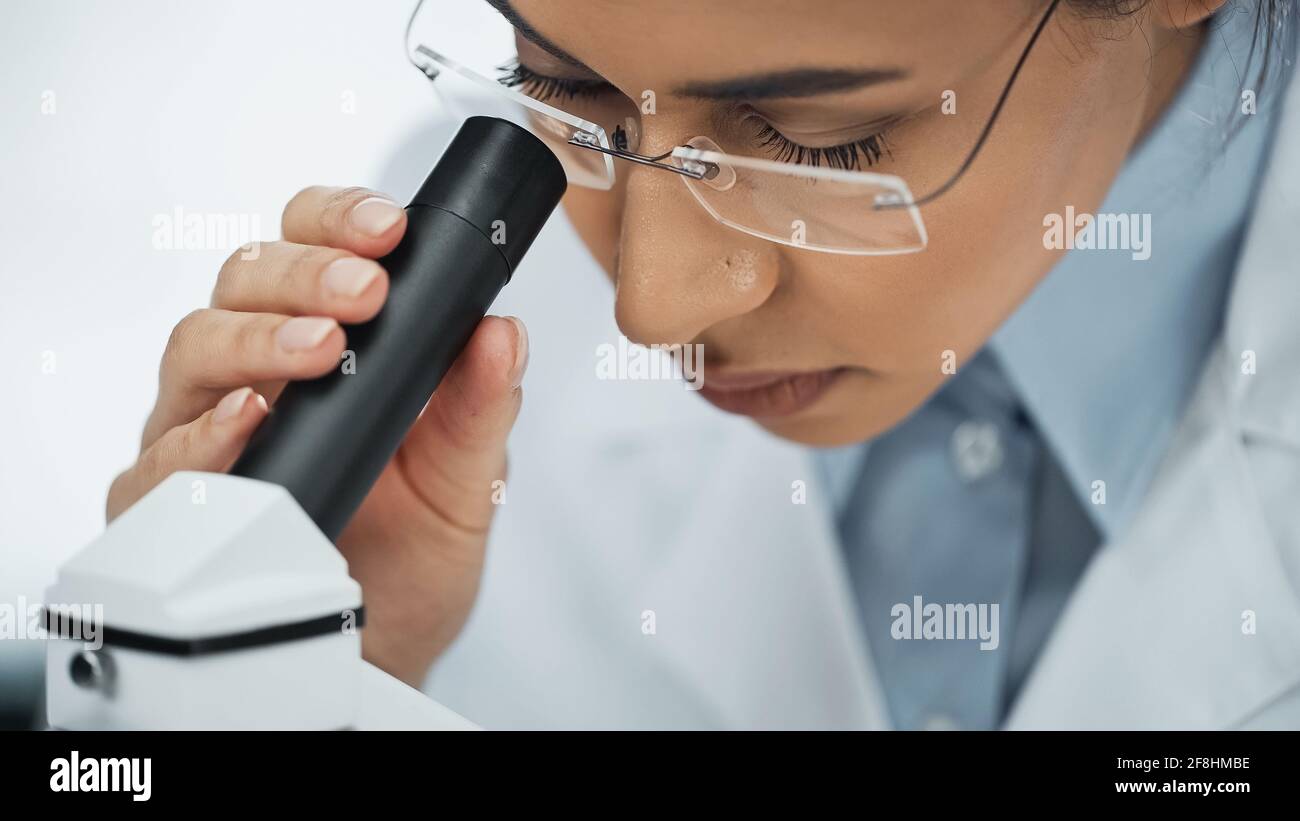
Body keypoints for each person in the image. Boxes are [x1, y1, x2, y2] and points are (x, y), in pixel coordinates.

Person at [106, 0, 1300, 728]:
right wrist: (316, 688)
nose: (646, 302)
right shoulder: (420, 329)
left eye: (814, 141)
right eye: (564, 89)